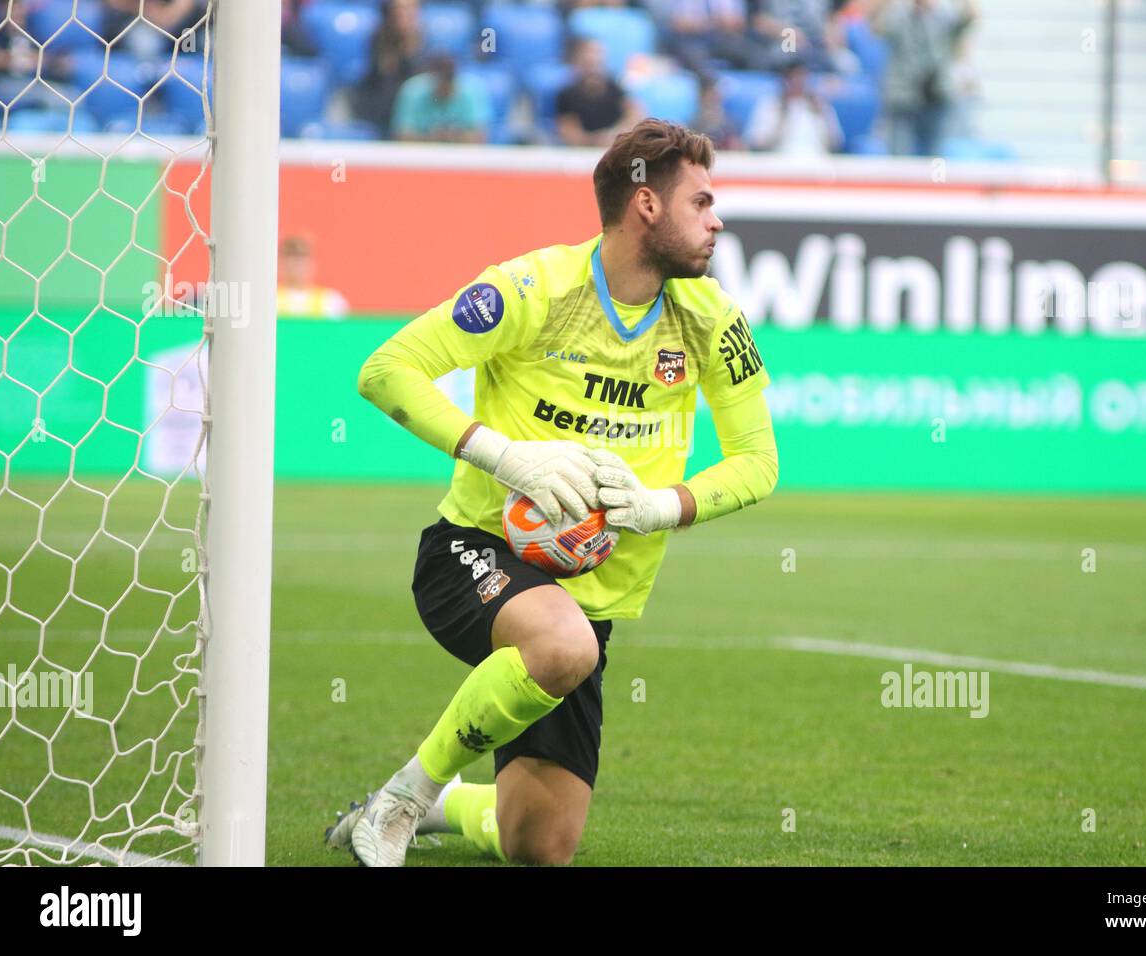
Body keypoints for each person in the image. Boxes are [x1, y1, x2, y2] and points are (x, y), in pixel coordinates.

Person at [328, 119, 778, 867]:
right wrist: (507, 459)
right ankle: (402, 801)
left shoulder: (712, 321)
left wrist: (661, 506)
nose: (717, 219)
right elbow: (386, 371)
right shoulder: (531, 289)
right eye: (701, 202)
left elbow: (758, 462)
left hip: (590, 594)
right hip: (474, 553)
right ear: (646, 206)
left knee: (538, 846)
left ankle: (440, 807)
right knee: (560, 644)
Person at [870, 0, 977, 157]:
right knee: (900, 158)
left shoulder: (945, 15)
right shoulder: (898, 16)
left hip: (936, 95)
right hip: (904, 98)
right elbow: (875, 26)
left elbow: (969, 16)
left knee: (935, 160)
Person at [350, 0, 432, 138]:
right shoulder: (379, 39)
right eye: (400, 9)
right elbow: (381, 78)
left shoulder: (425, 43)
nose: (404, 15)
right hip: (381, 111)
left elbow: (420, 84)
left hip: (413, 117)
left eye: (409, 10)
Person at [554, 37, 644, 147]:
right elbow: (569, 133)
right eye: (588, 55)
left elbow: (635, 116)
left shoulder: (617, 88)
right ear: (576, 59)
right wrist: (596, 140)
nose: (593, 58)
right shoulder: (566, 95)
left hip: (615, 147)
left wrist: (615, 135)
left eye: (597, 54)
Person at [745, 62, 844, 154]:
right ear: (784, 80)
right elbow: (757, 143)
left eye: (801, 77)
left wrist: (822, 117)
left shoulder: (820, 104)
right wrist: (781, 117)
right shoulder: (770, 105)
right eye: (792, 78)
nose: (797, 82)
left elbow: (836, 144)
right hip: (779, 162)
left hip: (817, 160)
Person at [390, 55, 491, 144]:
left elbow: (481, 137)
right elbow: (401, 135)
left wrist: (454, 136)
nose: (444, 91)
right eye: (441, 85)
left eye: (448, 86)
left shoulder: (472, 91)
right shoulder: (413, 90)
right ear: (430, 80)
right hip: (421, 156)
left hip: (462, 157)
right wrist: (431, 138)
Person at [275, 235, 349, 319]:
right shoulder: (272, 298)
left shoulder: (330, 300)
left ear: (311, 262)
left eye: (301, 256)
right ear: (279, 262)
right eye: (290, 255)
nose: (296, 262)